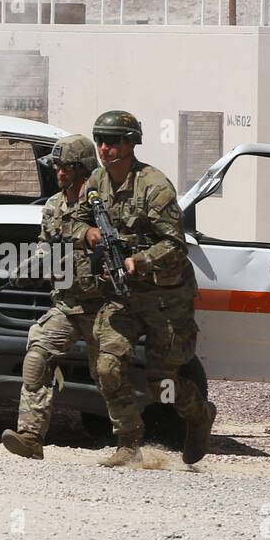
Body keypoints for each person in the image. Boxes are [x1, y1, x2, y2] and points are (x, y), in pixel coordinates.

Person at [73, 111, 216, 468]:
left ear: (131, 143)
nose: (105, 148)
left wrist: (140, 260)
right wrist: (88, 234)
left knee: (161, 383)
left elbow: (175, 245)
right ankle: (128, 443)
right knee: (107, 366)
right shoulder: (95, 182)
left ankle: (198, 415)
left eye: (114, 141)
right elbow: (75, 220)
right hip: (120, 295)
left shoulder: (154, 186)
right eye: (100, 141)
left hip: (164, 296)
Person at [2, 136, 104, 460]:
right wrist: (27, 267)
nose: (58, 171)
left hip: (103, 308)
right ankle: (30, 437)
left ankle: (134, 444)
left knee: (111, 376)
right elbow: (48, 248)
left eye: (64, 166)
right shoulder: (53, 207)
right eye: (57, 166)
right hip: (67, 306)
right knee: (36, 358)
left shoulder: (102, 206)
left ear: (82, 168)